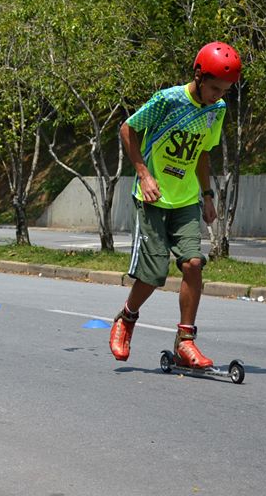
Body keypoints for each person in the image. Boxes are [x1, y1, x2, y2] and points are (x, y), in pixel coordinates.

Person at [109, 41, 241, 369]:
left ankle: (185, 341)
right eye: (214, 88)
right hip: (152, 199)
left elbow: (203, 152)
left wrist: (207, 195)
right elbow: (128, 129)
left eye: (225, 90)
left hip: (185, 200)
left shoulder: (217, 110)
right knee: (153, 275)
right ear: (198, 74)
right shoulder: (168, 100)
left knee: (193, 264)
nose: (218, 95)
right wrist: (143, 173)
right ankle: (126, 318)